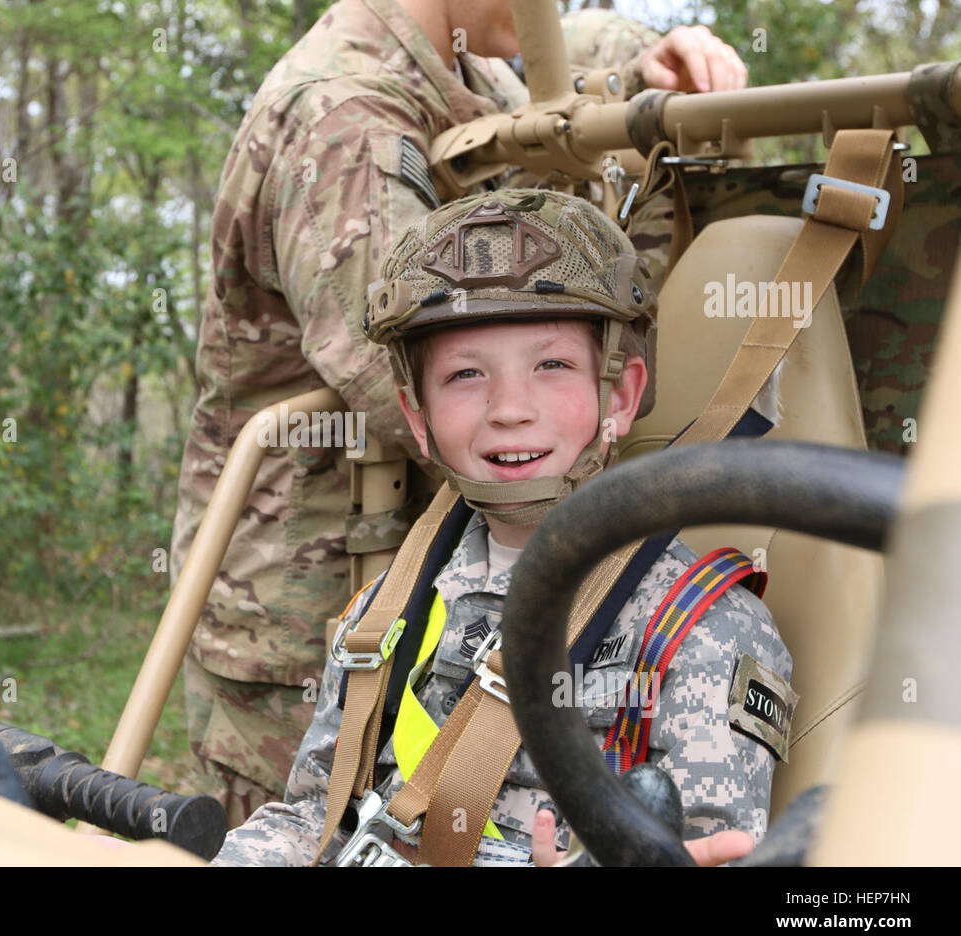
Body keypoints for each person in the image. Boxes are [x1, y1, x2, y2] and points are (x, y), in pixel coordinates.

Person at [171, 0, 752, 827]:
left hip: (439, 580)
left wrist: (647, 70)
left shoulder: (462, 68)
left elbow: (536, 88)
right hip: (311, 613)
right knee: (315, 830)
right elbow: (401, 369)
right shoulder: (349, 118)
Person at [211, 187, 795, 866]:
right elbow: (317, 814)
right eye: (465, 375)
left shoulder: (701, 628)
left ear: (622, 396)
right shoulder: (388, 607)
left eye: (551, 366)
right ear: (418, 417)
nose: (510, 408)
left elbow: (714, 851)